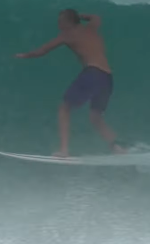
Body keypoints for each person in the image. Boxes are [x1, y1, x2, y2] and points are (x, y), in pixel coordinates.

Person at [14, 9, 127, 157]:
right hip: (107, 77)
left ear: (68, 22)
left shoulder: (67, 35)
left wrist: (24, 55)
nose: (59, 24)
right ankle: (117, 147)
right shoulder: (91, 28)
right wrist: (79, 16)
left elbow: (41, 51)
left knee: (64, 109)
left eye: (61, 21)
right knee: (95, 116)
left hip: (92, 73)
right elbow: (96, 17)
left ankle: (64, 150)